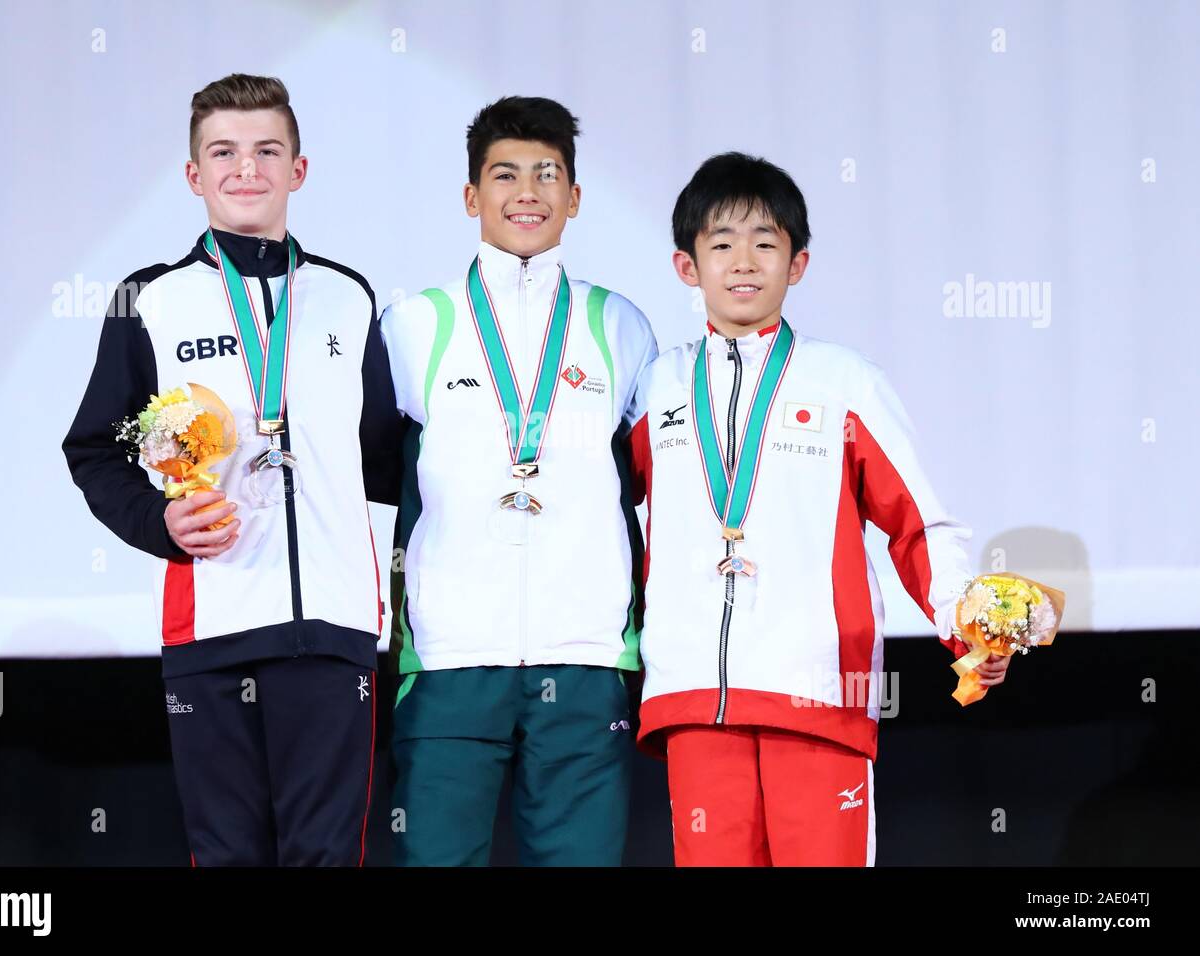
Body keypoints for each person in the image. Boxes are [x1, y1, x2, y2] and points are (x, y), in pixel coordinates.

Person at [627, 152, 1012, 866]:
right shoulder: (655, 388)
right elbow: (597, 514)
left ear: (797, 264)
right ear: (687, 266)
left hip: (818, 696)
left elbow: (917, 523)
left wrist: (966, 622)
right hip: (694, 700)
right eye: (721, 244)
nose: (744, 262)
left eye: (766, 243)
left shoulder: (844, 382)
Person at [62, 73, 401, 866]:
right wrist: (160, 522)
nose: (246, 168)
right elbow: (97, 448)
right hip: (212, 619)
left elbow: (381, 455)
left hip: (334, 628)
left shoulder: (347, 297)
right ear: (193, 174)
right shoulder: (150, 299)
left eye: (266, 150)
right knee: (226, 857)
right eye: (223, 152)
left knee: (326, 856)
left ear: (298, 169)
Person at [380, 96, 658, 865]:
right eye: (505, 175)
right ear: (472, 196)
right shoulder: (414, 325)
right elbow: (373, 470)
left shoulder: (620, 325)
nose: (527, 192)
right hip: (449, 655)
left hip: (587, 652)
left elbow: (649, 478)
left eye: (547, 173)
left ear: (575, 195)